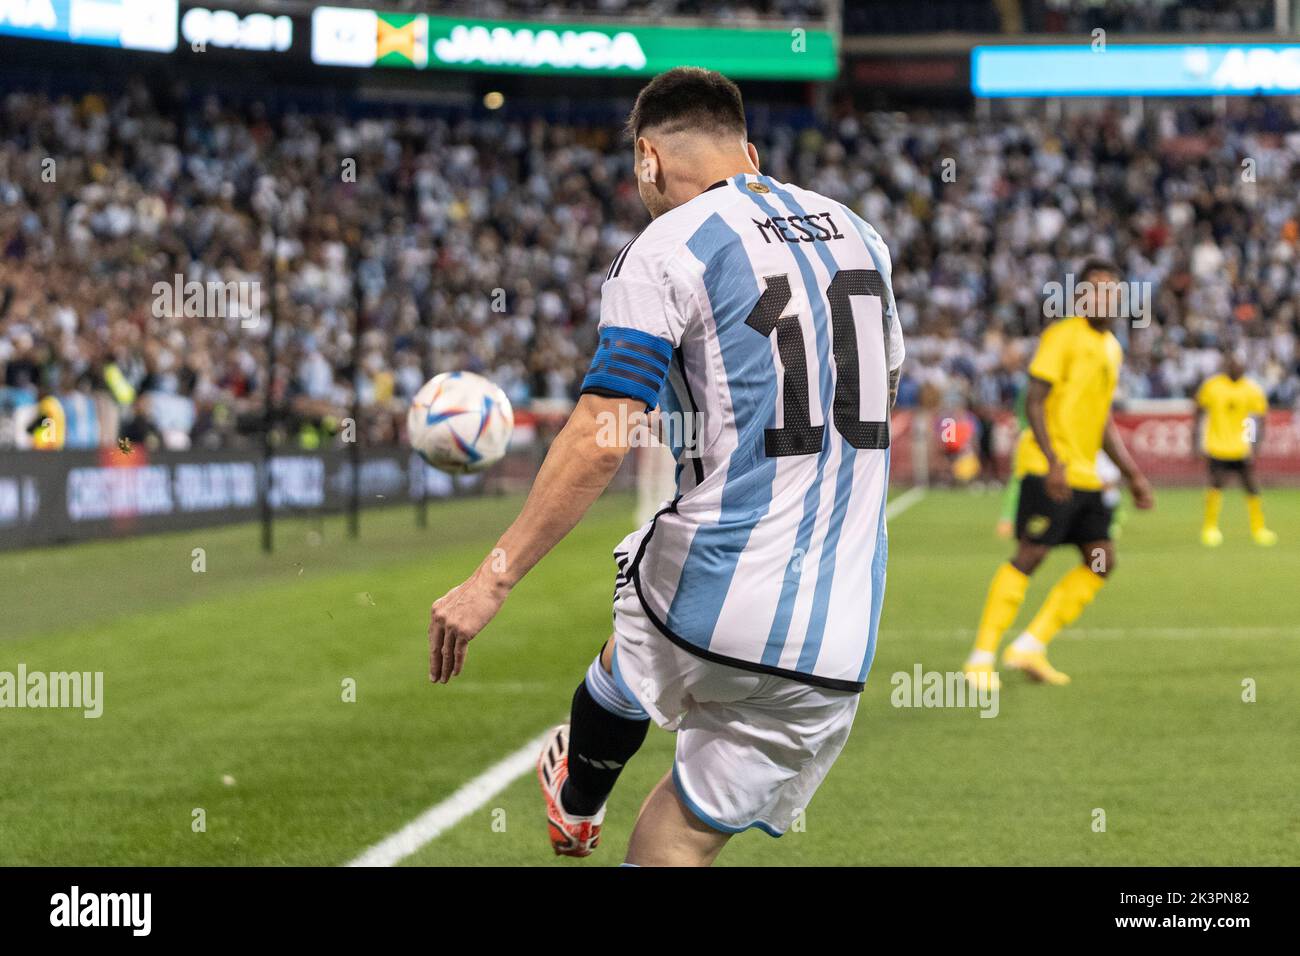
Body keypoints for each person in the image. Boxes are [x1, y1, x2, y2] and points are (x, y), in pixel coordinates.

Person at [424, 67, 904, 866]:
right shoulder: (863, 233)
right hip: (840, 634)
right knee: (681, 837)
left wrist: (492, 578)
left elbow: (603, 433)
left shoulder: (666, 246)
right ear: (748, 150)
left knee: (646, 583)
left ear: (647, 158)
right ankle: (583, 788)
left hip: (715, 589)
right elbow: (882, 389)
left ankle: (578, 792)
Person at [962, 260, 1154, 690]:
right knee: (1031, 554)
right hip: (1048, 469)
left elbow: (1101, 420)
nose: (1103, 296)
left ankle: (1030, 644)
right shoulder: (1063, 336)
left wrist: (1133, 474)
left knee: (1101, 561)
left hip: (1085, 475)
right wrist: (1053, 462)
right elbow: (1034, 402)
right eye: (1094, 289)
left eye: (1111, 289)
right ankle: (981, 657)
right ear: (1081, 296)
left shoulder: (1111, 348)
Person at [1194, 352, 1275, 547]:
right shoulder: (1212, 386)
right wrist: (1196, 442)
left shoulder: (1252, 389)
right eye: (1232, 365)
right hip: (1217, 445)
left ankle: (1258, 528)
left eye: (1239, 365)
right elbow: (1199, 413)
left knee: (1251, 486)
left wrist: (1254, 445)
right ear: (1227, 366)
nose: (1236, 368)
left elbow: (1258, 420)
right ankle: (1210, 528)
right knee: (1216, 484)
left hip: (1241, 446)